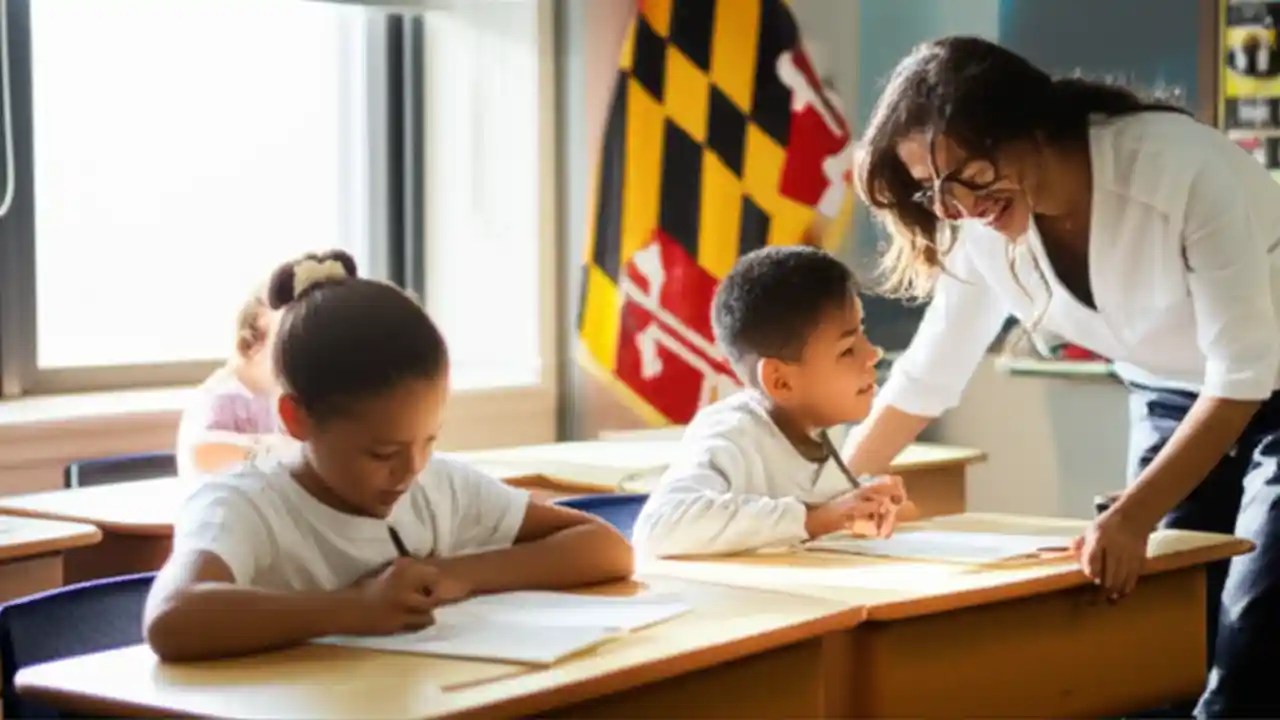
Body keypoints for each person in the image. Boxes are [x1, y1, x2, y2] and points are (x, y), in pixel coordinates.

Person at [843, 35, 1280, 717]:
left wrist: (1133, 515)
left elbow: (1242, 376)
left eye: (970, 173)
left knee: (1251, 640)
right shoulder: (976, 223)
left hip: (1264, 387)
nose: (957, 206)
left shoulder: (1178, 168)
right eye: (933, 192)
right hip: (1173, 395)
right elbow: (929, 373)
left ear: (1031, 127)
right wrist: (827, 491)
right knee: (1144, 640)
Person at [145, 250, 634, 661]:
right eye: (382, 453)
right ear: (297, 420)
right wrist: (355, 608)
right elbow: (173, 618)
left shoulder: (436, 487)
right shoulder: (244, 505)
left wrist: (453, 576)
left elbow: (606, 549)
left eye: (429, 441)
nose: (410, 469)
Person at [633, 246, 908, 558]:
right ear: (781, 381)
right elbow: (660, 528)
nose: (873, 354)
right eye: (846, 350)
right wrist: (815, 518)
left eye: (863, 335)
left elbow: (818, 514)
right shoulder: (731, 435)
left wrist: (865, 502)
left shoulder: (817, 427)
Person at [175, 278, 297, 477]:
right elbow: (202, 452)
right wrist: (281, 448)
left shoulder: (276, 395)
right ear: (253, 341)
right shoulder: (222, 397)